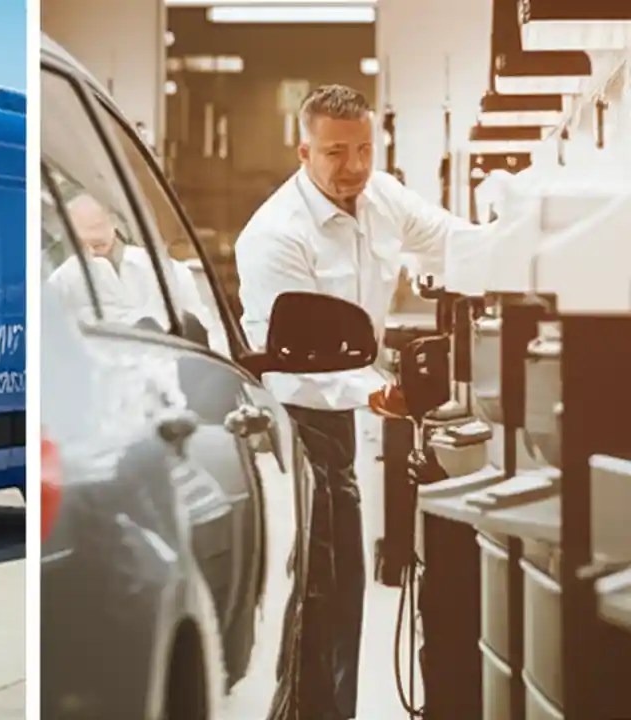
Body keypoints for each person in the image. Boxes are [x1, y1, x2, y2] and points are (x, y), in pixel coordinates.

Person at [233, 84, 470, 720]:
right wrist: (380, 391)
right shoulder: (277, 235)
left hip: (343, 408)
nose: (355, 166)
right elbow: (290, 365)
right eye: (337, 153)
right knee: (317, 588)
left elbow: (453, 241)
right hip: (296, 419)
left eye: (365, 148)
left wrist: (528, 247)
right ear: (303, 150)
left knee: (340, 591)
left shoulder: (382, 195)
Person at [47, 192, 214, 331]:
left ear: (113, 224)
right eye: (82, 245)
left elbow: (205, 331)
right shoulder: (62, 282)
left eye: (98, 245)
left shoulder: (163, 271)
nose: (90, 253)